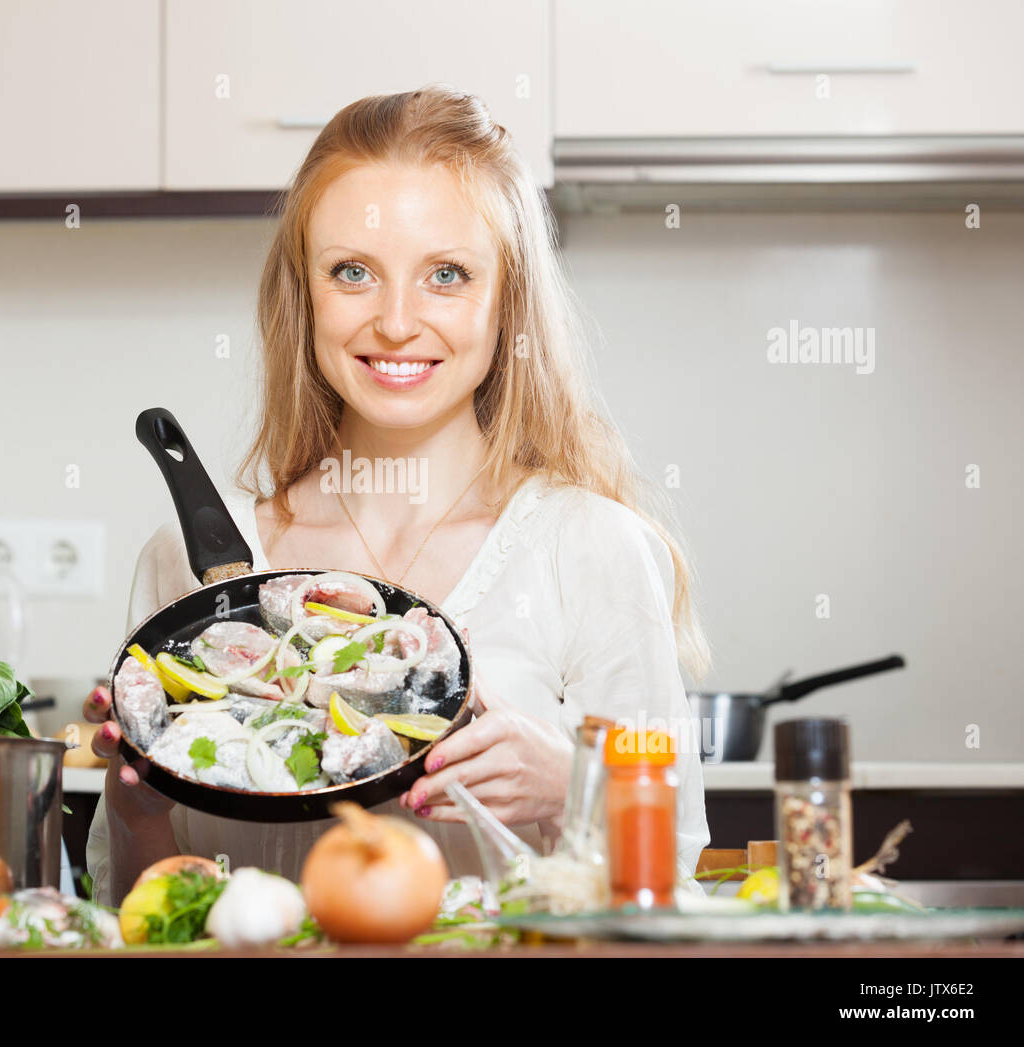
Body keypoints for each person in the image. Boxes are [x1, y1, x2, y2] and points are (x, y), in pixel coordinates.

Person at [85, 85, 709, 906]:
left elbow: (676, 874)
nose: (396, 321)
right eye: (354, 273)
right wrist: (139, 809)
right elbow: (132, 910)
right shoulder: (196, 566)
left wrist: (576, 785)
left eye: (446, 275)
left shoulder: (591, 547)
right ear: (303, 293)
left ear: (506, 299)